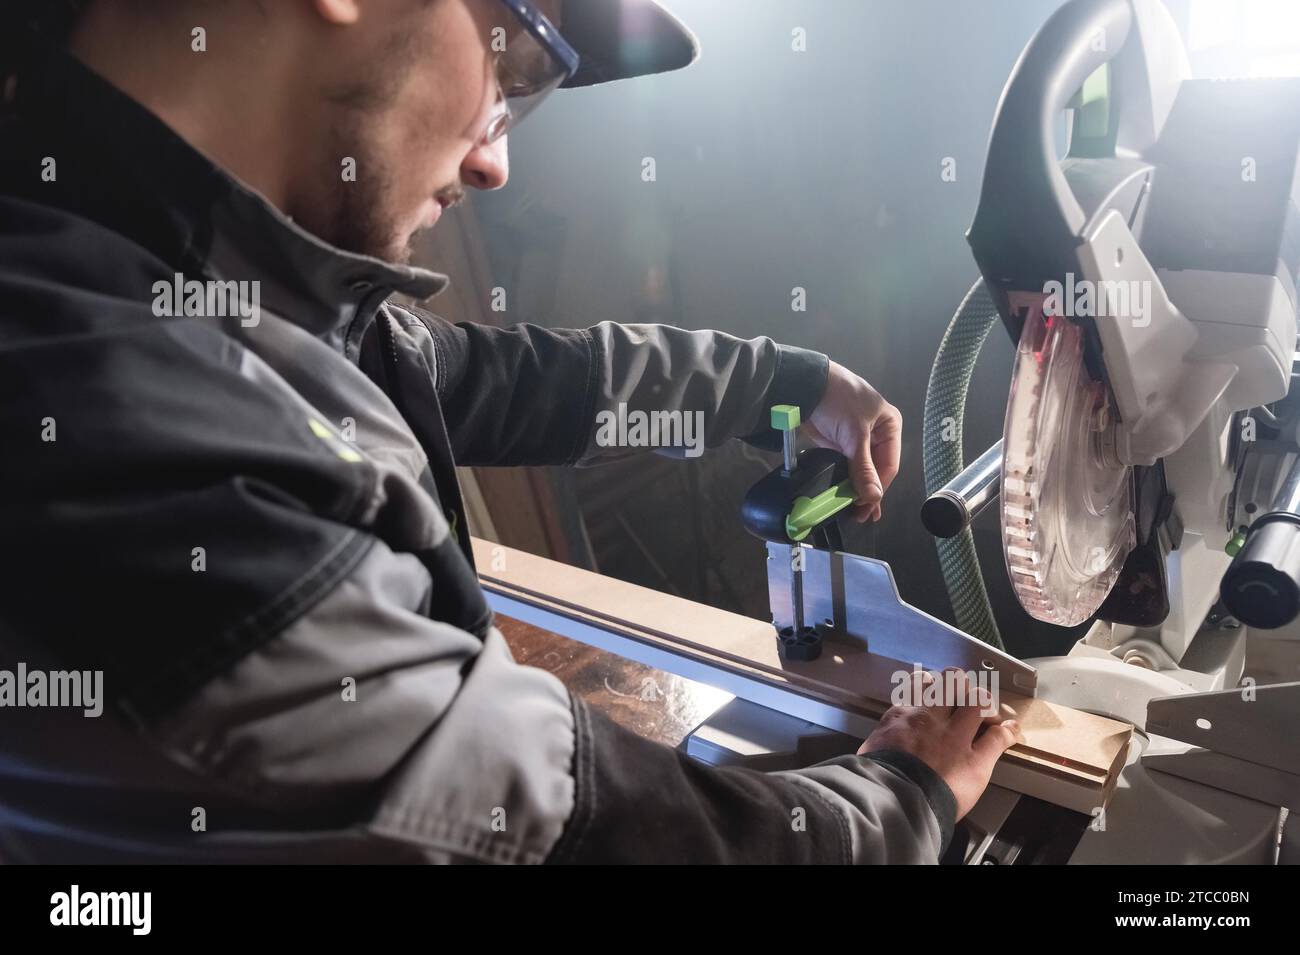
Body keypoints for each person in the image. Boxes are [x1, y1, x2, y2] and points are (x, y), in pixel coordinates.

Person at [0, 0, 1016, 864]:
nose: (494, 162)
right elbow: (573, 832)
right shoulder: (145, 454)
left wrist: (781, 386)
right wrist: (903, 797)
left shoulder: (188, 283)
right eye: (517, 63)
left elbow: (502, 380)